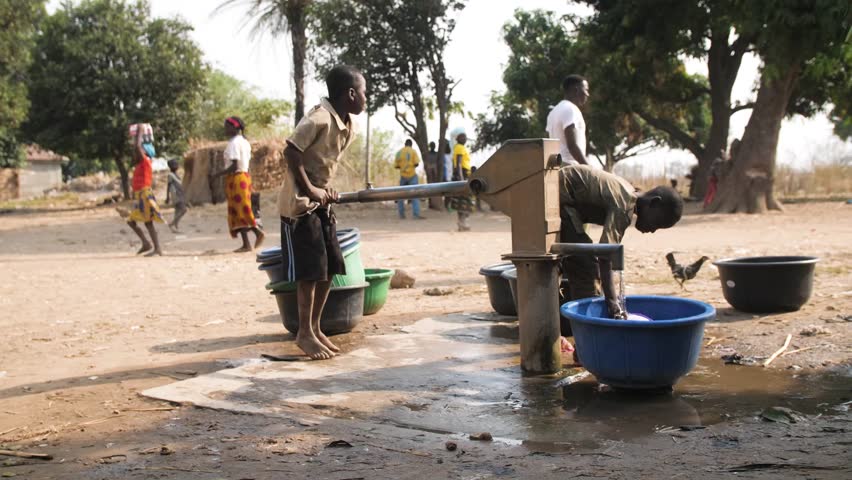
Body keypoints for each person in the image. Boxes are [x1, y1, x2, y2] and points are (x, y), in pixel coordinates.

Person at [278, 65, 367, 360]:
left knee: (330, 266)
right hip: (300, 206)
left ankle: (315, 328)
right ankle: (303, 332)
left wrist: (326, 190)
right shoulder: (318, 118)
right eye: (364, 92)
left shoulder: (347, 125)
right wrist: (311, 189)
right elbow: (291, 151)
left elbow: (323, 162)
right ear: (351, 93)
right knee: (310, 271)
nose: (367, 97)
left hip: (322, 204)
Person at [559, 165, 683, 319]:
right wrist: (613, 303)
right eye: (657, 223)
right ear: (654, 203)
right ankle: (587, 326)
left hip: (562, 197)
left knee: (584, 264)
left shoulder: (627, 192)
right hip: (559, 197)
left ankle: (580, 319)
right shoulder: (625, 205)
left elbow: (606, 254)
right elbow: (605, 254)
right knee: (586, 268)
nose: (652, 230)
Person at [211, 116, 265, 253]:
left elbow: (234, 166)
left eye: (227, 126)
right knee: (238, 210)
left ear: (235, 127)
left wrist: (217, 174)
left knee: (241, 210)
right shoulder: (244, 142)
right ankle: (246, 244)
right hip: (243, 178)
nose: (225, 129)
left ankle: (257, 232)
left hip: (236, 178)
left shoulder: (234, 143)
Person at [126, 126, 164, 256]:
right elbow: (135, 149)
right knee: (132, 221)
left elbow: (137, 146)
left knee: (148, 223)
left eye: (139, 152)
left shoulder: (146, 161)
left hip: (145, 194)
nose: (136, 153)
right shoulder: (139, 164)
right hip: (140, 195)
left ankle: (156, 248)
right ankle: (146, 243)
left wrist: (140, 132)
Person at [546, 74, 590, 165]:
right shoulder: (570, 109)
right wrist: (588, 168)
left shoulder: (553, 112)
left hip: (557, 166)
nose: (587, 94)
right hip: (570, 166)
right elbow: (572, 145)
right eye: (586, 90)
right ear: (576, 90)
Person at [449, 129, 474, 231]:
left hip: (462, 174)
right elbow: (459, 164)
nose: (465, 138)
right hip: (462, 174)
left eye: (465, 136)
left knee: (461, 200)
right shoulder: (459, 148)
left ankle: (461, 222)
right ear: (457, 138)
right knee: (465, 199)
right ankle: (462, 222)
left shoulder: (460, 148)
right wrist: (462, 179)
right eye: (462, 136)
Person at [394, 139, 424, 219]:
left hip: (403, 175)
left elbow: (396, 166)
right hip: (412, 175)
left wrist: (403, 167)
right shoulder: (413, 151)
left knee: (401, 196)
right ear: (411, 144)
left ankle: (401, 215)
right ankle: (416, 214)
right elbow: (416, 163)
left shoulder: (399, 152)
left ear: (405, 144)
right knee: (415, 195)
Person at [166, 159, 187, 233]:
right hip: (176, 195)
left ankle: (175, 227)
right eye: (174, 164)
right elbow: (168, 186)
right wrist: (167, 197)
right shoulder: (170, 175)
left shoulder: (177, 175)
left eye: (176, 164)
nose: (176, 166)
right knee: (184, 210)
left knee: (178, 211)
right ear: (170, 166)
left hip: (180, 194)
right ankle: (172, 224)